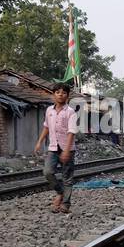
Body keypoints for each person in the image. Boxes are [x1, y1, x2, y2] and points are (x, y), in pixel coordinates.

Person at [34, 83, 77, 214]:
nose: (60, 95)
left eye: (63, 93)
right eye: (58, 92)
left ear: (67, 96)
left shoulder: (70, 112)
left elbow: (71, 132)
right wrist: (39, 142)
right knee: (47, 172)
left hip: (67, 148)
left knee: (67, 177)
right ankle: (60, 192)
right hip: (53, 147)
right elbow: (46, 127)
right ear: (53, 95)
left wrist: (66, 150)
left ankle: (65, 204)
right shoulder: (49, 111)